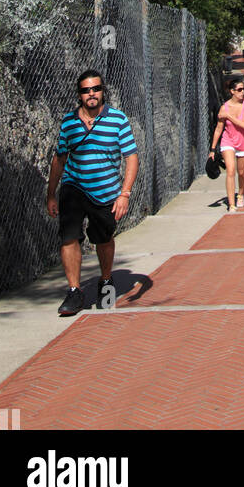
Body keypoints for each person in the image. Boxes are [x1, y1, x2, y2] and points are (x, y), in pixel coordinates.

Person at [46, 69, 139, 317]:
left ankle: (106, 281)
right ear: (79, 95)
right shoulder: (68, 122)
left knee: (103, 239)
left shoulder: (118, 120)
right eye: (86, 90)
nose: (92, 94)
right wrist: (51, 194)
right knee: (69, 237)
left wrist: (124, 194)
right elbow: (59, 159)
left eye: (96, 89)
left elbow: (131, 157)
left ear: (102, 91)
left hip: (106, 191)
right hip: (74, 186)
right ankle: (75, 291)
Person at [210, 77, 244, 211]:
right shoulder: (225, 107)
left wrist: (228, 116)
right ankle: (231, 204)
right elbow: (218, 129)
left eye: (243, 89)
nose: (242, 92)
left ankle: (240, 194)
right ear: (232, 91)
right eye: (239, 90)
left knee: (242, 173)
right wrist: (212, 149)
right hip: (228, 141)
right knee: (230, 170)